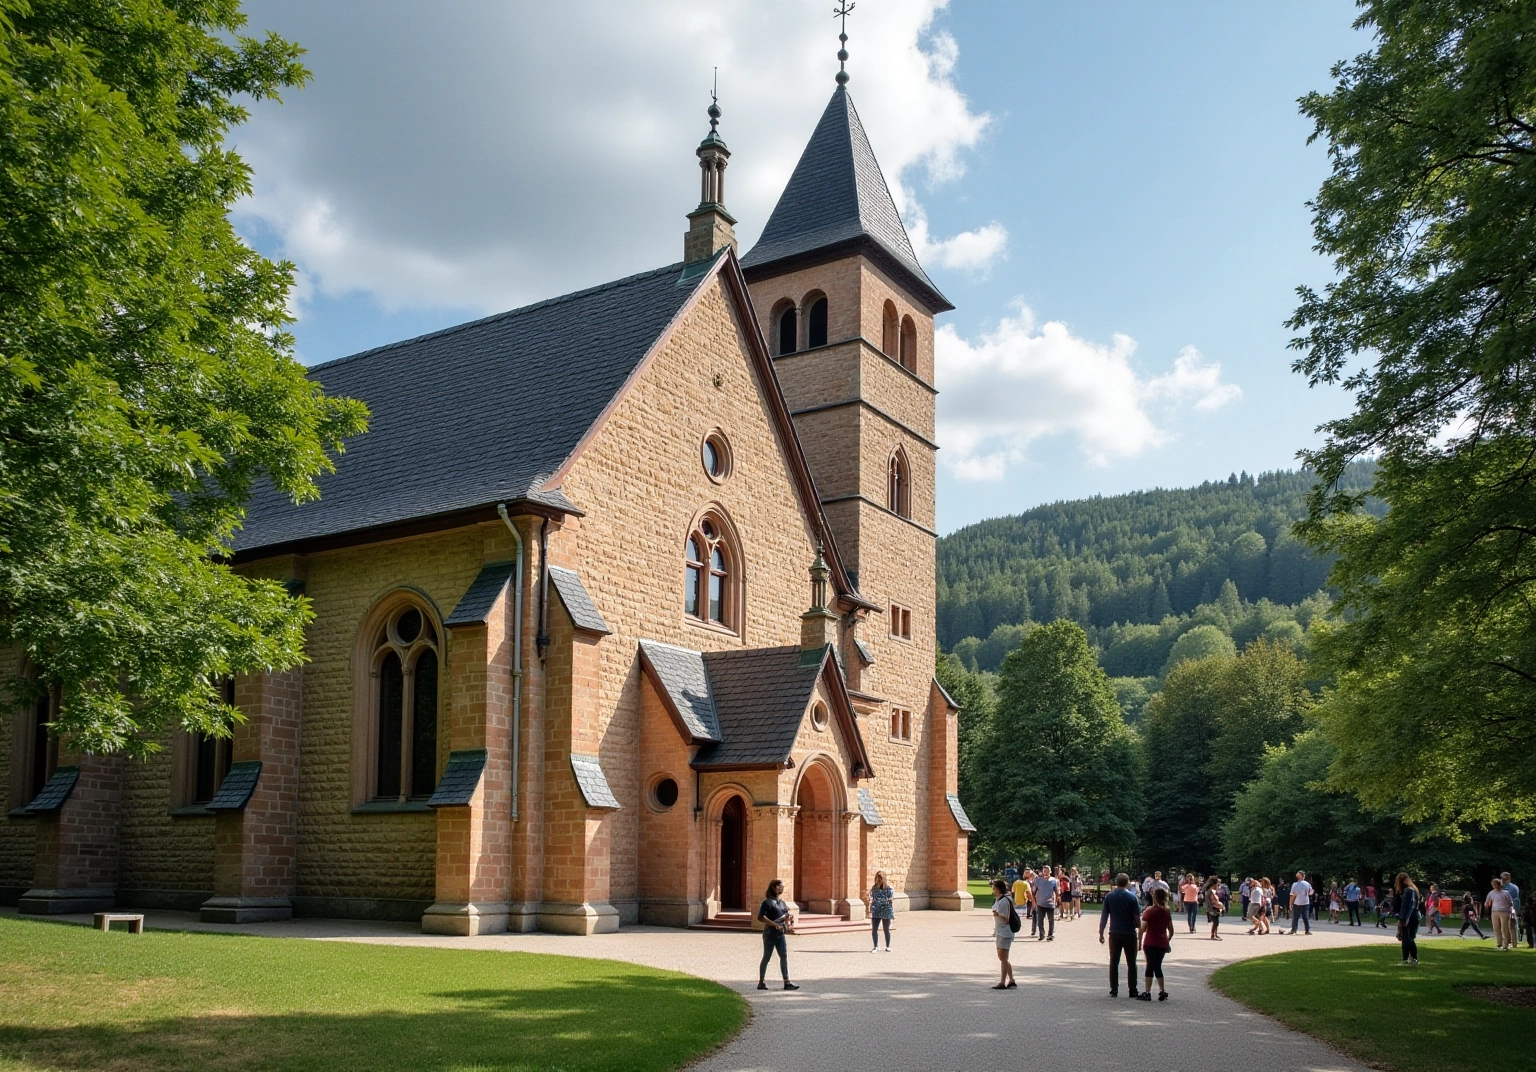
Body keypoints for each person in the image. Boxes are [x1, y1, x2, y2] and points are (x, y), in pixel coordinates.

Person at [1100, 873, 1142, 998]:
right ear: (1127, 883)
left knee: (1114, 961)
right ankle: (1132, 989)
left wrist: (1101, 932)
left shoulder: (1109, 897)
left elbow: (1104, 916)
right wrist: (1138, 926)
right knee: (1131, 962)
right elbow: (1137, 917)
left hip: (1114, 932)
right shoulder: (1132, 897)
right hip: (1129, 932)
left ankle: (1114, 989)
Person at [757, 879, 800, 990]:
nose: (782, 888)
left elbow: (785, 916)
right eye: (780, 886)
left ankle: (787, 982)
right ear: (774, 887)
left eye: (782, 886)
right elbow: (760, 917)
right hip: (770, 933)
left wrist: (788, 921)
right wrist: (774, 924)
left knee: (784, 956)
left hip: (780, 933)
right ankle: (761, 982)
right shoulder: (767, 903)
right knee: (767, 957)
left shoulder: (782, 903)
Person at [1138, 887, 1175, 1001]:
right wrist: (1167, 940)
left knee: (1150, 966)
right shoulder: (1166, 911)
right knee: (1158, 965)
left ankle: (1147, 992)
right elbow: (1171, 930)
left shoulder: (1149, 911)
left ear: (1154, 897)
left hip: (1150, 942)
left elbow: (1142, 929)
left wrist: (1139, 943)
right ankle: (1162, 990)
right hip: (1162, 943)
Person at [990, 878, 1018, 989]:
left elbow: (1006, 919)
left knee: (1003, 957)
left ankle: (1002, 982)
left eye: (994, 888)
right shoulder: (999, 899)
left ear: (998, 889)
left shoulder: (1004, 901)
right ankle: (1011, 979)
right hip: (999, 930)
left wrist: (997, 914)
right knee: (1003, 957)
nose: (993, 889)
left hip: (1005, 932)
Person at [1395, 872, 1421, 965]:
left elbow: (1407, 906)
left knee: (1407, 938)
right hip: (1415, 915)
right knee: (1408, 938)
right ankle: (1410, 959)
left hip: (1410, 916)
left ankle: (1410, 959)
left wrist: (1403, 919)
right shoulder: (1414, 890)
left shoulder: (1408, 891)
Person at [1486, 877, 1517, 950]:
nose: (1494, 886)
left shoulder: (1506, 893)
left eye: (1495, 884)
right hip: (1494, 911)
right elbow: (1487, 902)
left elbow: (1511, 902)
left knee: (1504, 928)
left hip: (1505, 911)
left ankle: (1506, 944)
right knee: (1496, 928)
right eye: (1493, 884)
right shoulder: (1491, 892)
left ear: (1499, 884)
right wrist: (1487, 905)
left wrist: (1512, 910)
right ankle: (1499, 944)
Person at [869, 871, 894, 953]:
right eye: (877, 878)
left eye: (880, 878)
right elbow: (872, 897)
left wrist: (891, 912)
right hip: (876, 909)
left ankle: (888, 946)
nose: (878, 880)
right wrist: (871, 904)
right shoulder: (874, 888)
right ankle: (876, 946)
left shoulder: (888, 888)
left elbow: (891, 899)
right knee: (874, 929)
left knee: (886, 929)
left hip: (885, 909)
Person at [1033, 865, 1059, 941]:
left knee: (1051, 920)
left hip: (1050, 904)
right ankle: (1042, 934)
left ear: (1050, 872)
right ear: (1042, 872)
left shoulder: (1054, 880)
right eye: (1044, 871)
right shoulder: (1038, 880)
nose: (1046, 873)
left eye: (1047, 871)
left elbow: (1057, 891)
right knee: (1040, 920)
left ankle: (1050, 935)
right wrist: (1034, 901)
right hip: (1040, 903)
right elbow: (1034, 891)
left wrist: (1057, 900)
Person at [1204, 876, 1224, 940]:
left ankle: (1215, 934)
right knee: (1215, 922)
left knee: (1216, 922)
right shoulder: (1211, 891)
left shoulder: (1210, 891)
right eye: (1218, 884)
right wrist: (1221, 905)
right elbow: (1214, 901)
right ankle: (1213, 935)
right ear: (1214, 884)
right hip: (1213, 909)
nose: (1218, 885)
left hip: (1213, 908)